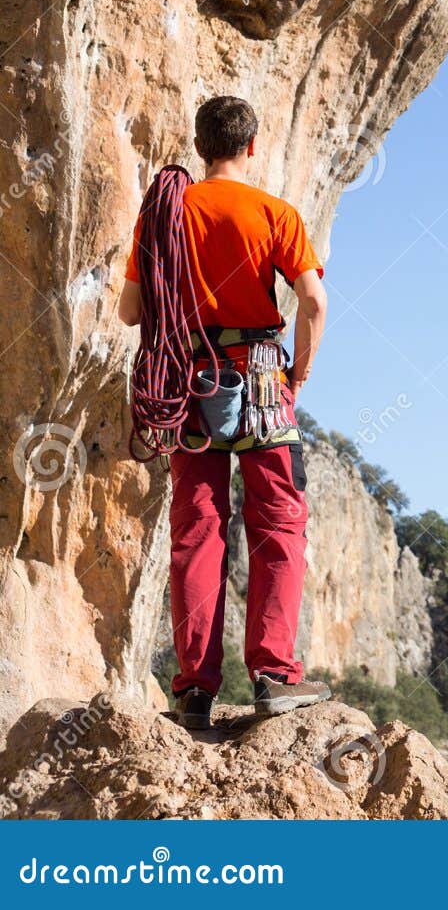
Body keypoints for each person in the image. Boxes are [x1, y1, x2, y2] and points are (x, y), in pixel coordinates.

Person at [119, 96, 332, 730]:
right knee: (278, 524)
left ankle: (193, 692)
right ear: (253, 146)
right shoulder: (275, 213)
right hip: (262, 377)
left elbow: (131, 312)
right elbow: (314, 302)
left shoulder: (166, 215)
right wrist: (300, 371)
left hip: (187, 381)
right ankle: (273, 676)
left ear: (200, 144)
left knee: (197, 531)